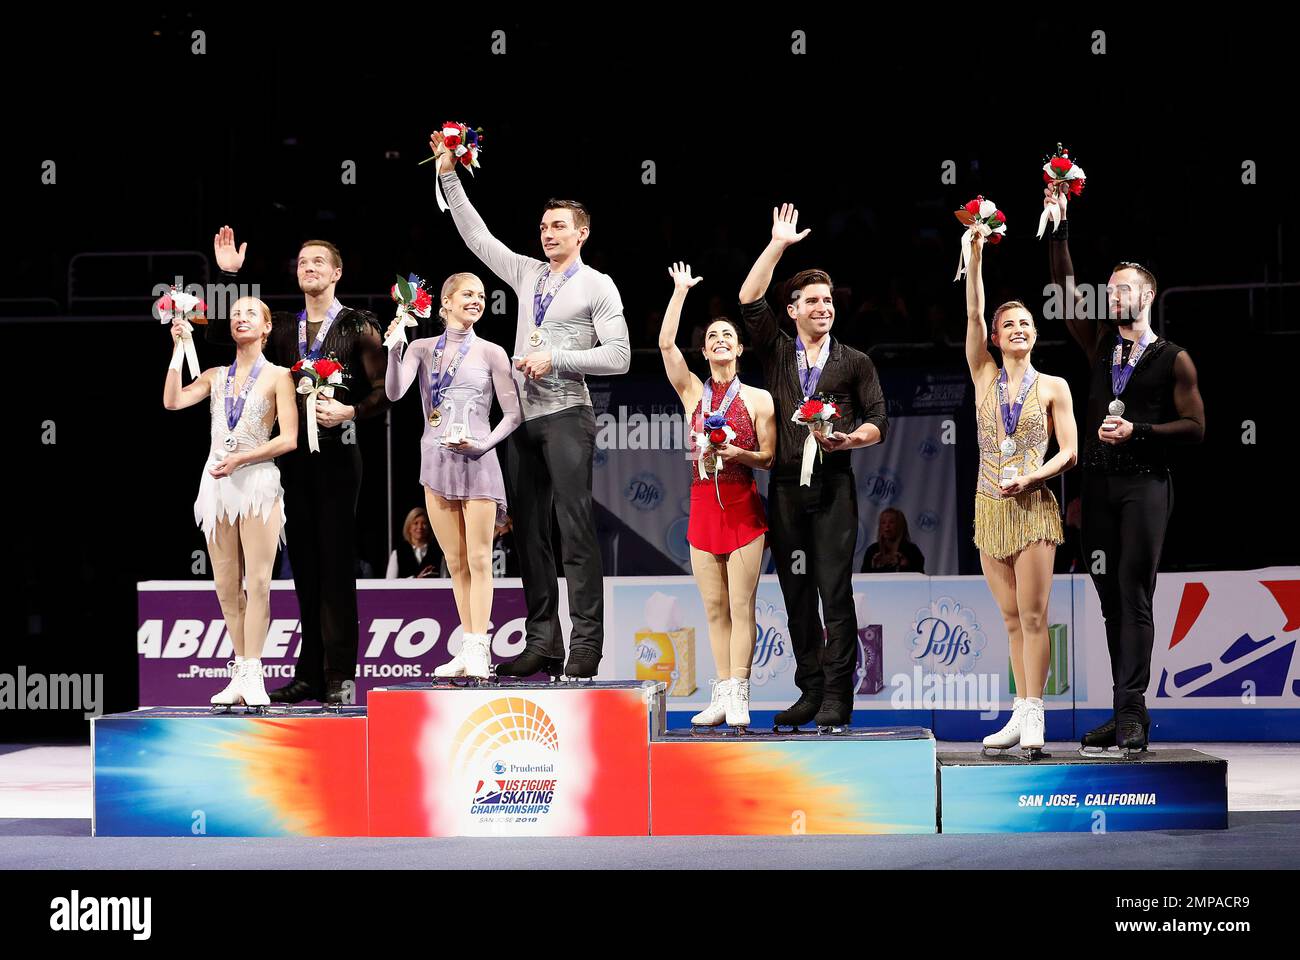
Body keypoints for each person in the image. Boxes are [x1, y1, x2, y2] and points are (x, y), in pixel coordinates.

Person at [430, 130, 630, 679]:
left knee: (574, 527)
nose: (547, 233)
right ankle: (545, 640)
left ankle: (587, 643)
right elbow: (478, 238)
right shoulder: (526, 273)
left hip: (567, 414)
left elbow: (619, 356)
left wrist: (557, 358)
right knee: (528, 533)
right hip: (521, 419)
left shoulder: (599, 286)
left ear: (582, 233)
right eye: (543, 226)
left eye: (559, 226)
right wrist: (449, 172)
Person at [1046, 187, 1205, 756]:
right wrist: (1061, 226)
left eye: (1125, 287)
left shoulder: (1172, 358)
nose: (1115, 294)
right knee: (1110, 597)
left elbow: (1195, 427)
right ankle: (1122, 710)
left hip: (1145, 484)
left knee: (1135, 592)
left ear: (1149, 296)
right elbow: (1064, 294)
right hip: (1098, 486)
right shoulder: (1098, 349)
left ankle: (1133, 714)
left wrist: (1138, 431)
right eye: (1110, 288)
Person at [210, 227, 389, 705]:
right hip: (290, 462)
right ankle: (308, 672)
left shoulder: (359, 325)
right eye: (302, 262)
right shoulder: (285, 328)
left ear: (336, 273)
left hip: (337, 458)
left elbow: (384, 392)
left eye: (317, 262)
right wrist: (229, 277)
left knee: (335, 566)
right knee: (304, 569)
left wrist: (350, 412)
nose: (308, 268)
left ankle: (339, 674)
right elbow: (238, 332)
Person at [738, 204, 889, 732]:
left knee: (833, 591)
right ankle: (809, 689)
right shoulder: (777, 353)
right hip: (783, 488)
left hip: (832, 488)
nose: (824, 307)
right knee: (797, 593)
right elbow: (748, 297)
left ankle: (837, 698)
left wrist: (852, 439)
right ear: (793, 310)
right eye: (813, 301)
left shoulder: (854, 362)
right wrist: (778, 245)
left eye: (828, 300)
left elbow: (878, 420)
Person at [963, 232, 1078, 758]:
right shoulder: (983, 375)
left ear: (1035, 335)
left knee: (1034, 616)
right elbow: (973, 310)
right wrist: (976, 253)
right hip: (990, 510)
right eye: (1008, 323)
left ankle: (1035, 716)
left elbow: (1070, 453)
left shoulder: (1054, 385)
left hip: (1032, 508)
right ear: (995, 335)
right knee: (1009, 619)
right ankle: (1019, 709)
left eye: (1026, 323)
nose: (1018, 328)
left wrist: (1033, 478)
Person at [386, 272, 523, 679]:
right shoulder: (421, 348)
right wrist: (394, 350)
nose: (476, 300)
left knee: (480, 558)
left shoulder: (493, 352)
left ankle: (481, 646)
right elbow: (394, 392)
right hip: (436, 461)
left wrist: (485, 445)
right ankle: (468, 645)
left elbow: (513, 414)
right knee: (456, 561)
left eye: (481, 296)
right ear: (445, 302)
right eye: (468, 294)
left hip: (478, 460)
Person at [165, 296, 298, 707]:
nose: (240, 318)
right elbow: (172, 401)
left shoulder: (279, 377)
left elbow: (289, 439)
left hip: (257, 484)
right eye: (236, 313)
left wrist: (244, 456)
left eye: (250, 313)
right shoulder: (215, 375)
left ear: (267, 326)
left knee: (257, 584)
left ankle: (254, 671)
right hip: (217, 488)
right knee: (225, 587)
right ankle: (239, 670)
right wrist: (176, 348)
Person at [659, 262, 775, 730]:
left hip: (743, 505)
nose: (721, 340)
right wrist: (681, 291)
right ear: (704, 350)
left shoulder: (759, 399)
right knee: (713, 607)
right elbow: (666, 344)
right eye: (713, 337)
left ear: (740, 347)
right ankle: (722, 692)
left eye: (729, 335)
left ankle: (741, 693)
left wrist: (737, 452)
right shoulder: (692, 393)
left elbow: (768, 457)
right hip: (703, 506)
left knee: (741, 605)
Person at [860, 508, 926, 573]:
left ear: (899, 526)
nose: (887, 526)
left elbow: (920, 577)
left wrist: (905, 566)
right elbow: (863, 577)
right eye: (883, 523)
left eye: (891, 522)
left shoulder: (912, 550)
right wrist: (872, 567)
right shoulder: (872, 550)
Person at [386, 507, 442, 578]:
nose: (420, 527)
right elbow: (390, 583)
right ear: (409, 527)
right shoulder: (398, 553)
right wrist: (415, 579)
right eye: (416, 523)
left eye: (424, 523)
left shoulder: (438, 552)